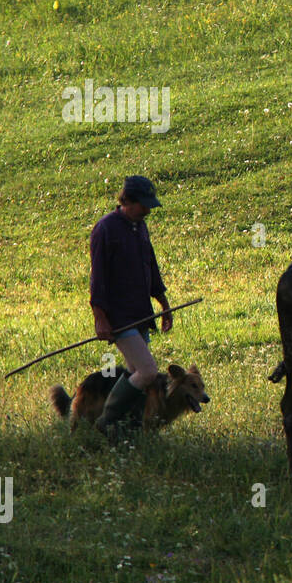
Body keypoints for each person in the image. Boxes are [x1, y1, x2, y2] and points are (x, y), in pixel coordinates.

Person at [89, 175, 173, 432]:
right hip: (120, 316)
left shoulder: (140, 227)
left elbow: (151, 267)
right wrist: (101, 318)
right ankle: (106, 421)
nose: (148, 210)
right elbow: (98, 278)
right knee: (147, 371)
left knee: (136, 371)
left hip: (140, 314)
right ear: (127, 201)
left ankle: (130, 428)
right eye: (143, 204)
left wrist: (163, 303)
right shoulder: (106, 229)